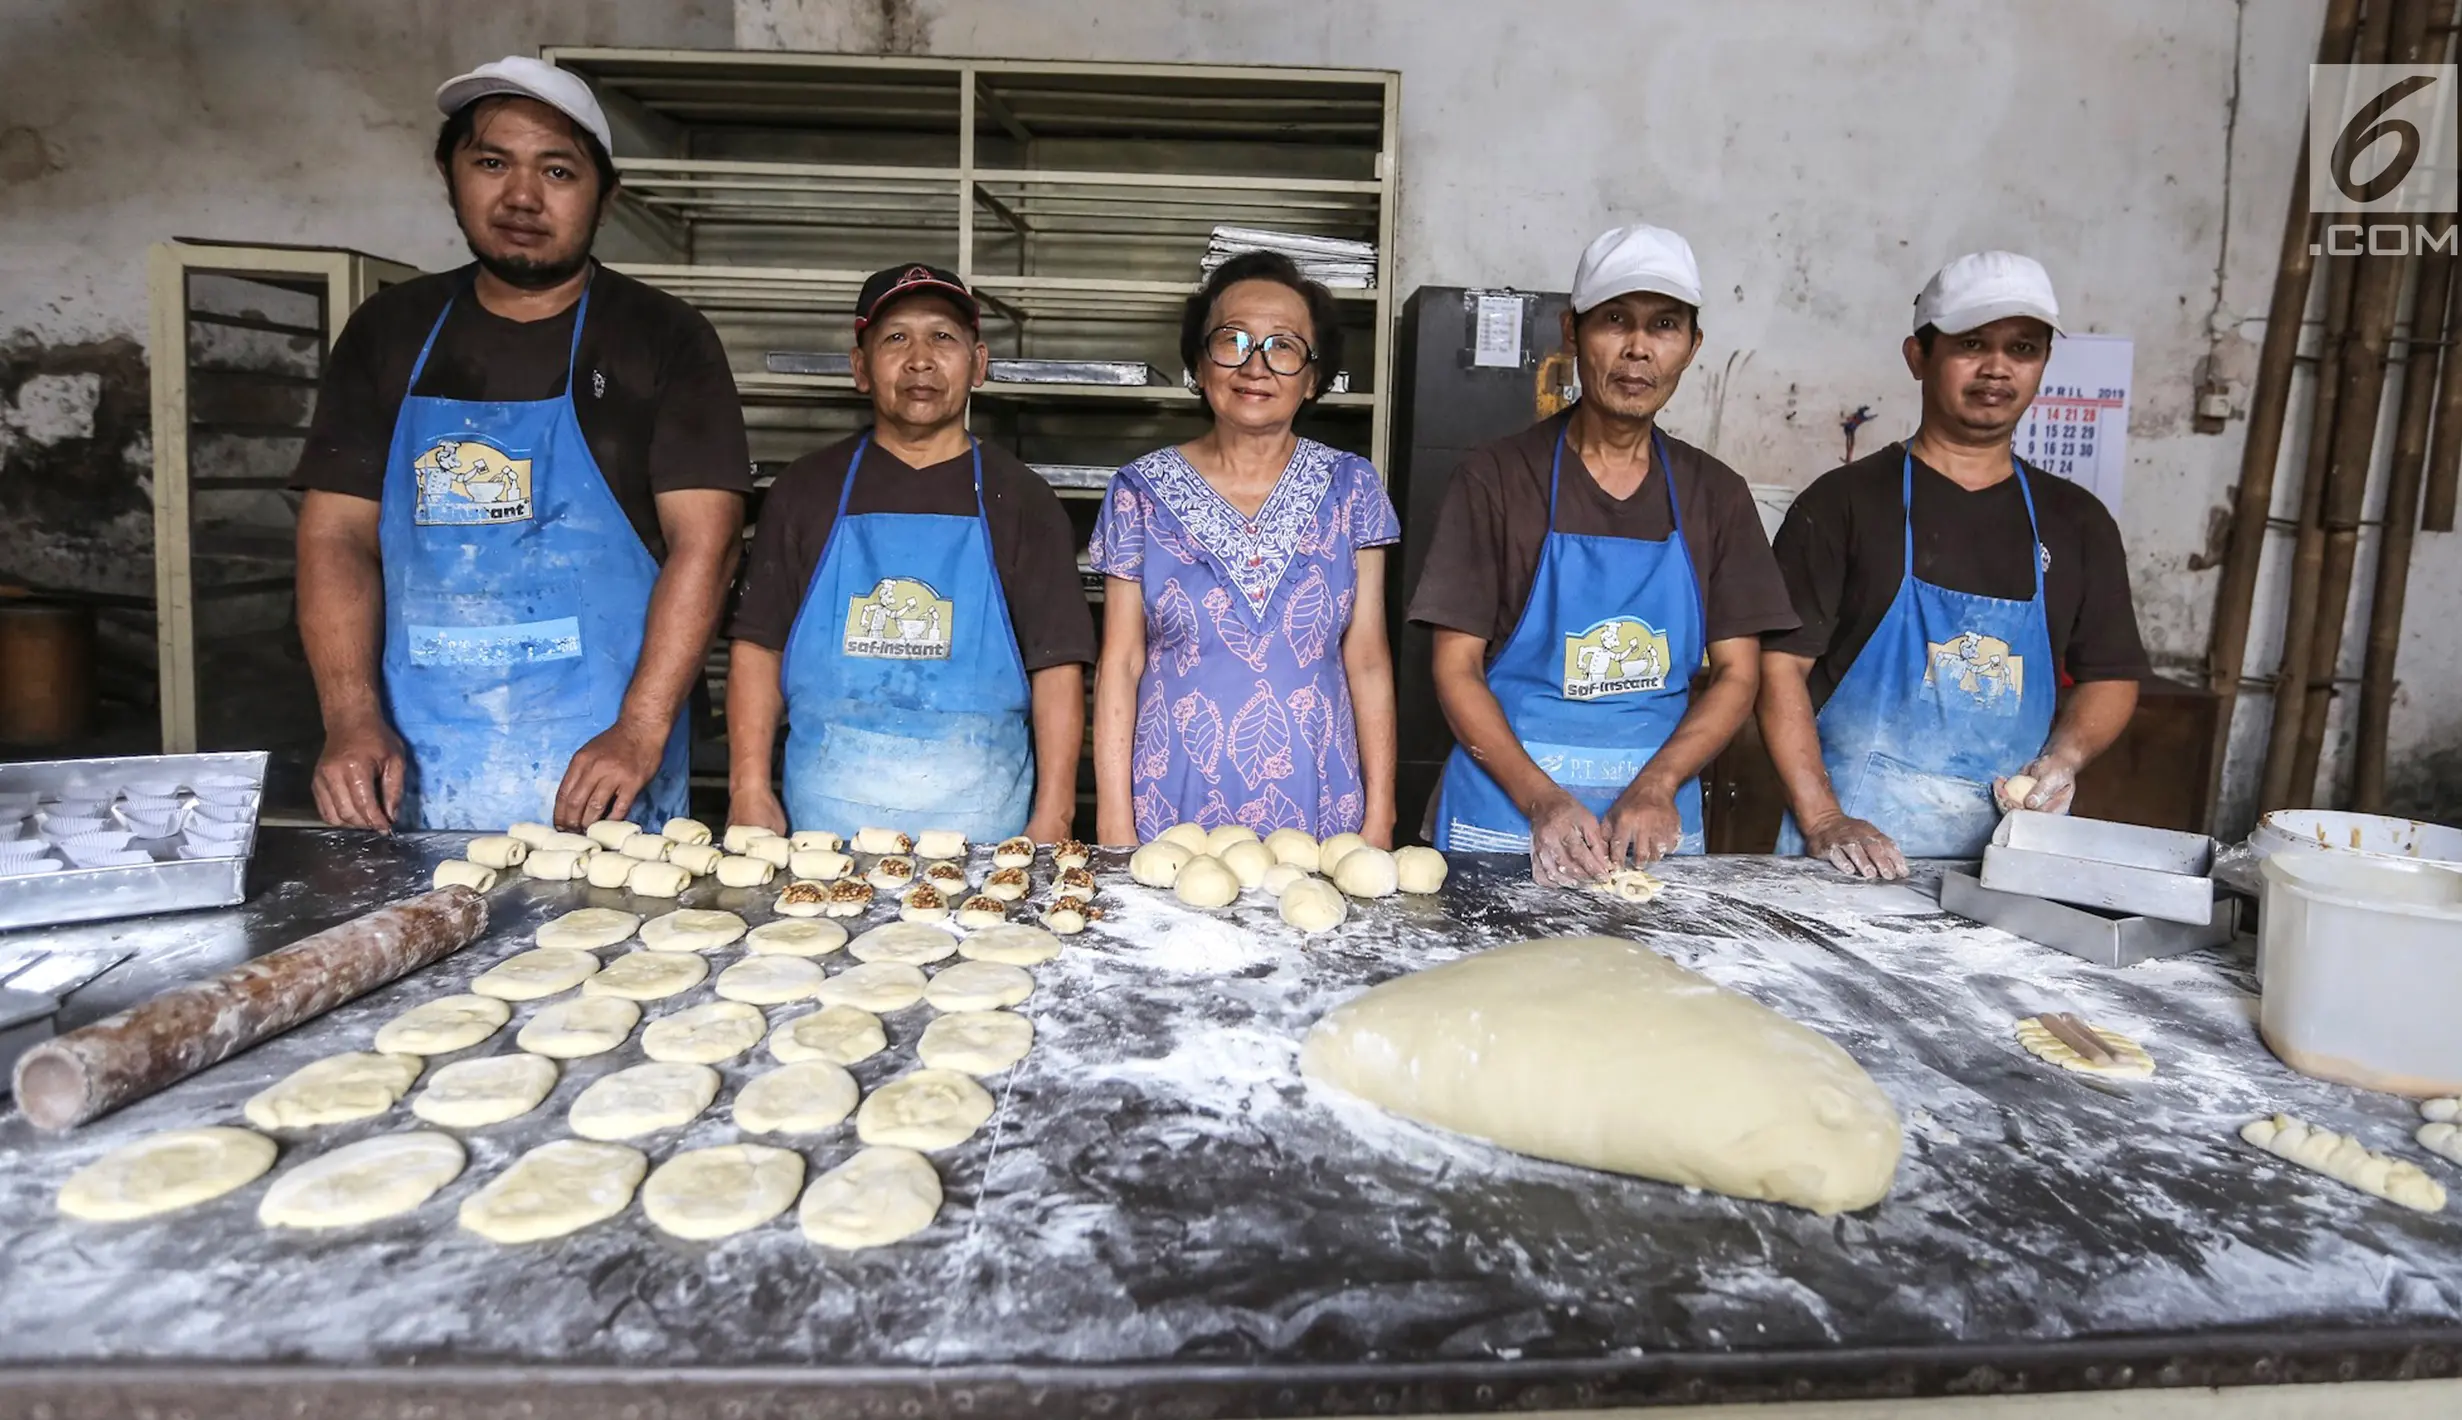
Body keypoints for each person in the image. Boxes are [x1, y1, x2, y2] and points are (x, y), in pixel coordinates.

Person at [293, 57, 748, 832]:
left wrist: (639, 729)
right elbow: (335, 535)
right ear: (450, 174)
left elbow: (707, 545)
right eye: (493, 162)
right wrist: (350, 718)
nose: (523, 197)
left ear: (606, 195)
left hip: (606, 769)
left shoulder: (662, 338)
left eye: (559, 171)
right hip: (418, 761)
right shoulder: (388, 333)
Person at [1408, 224, 1799, 884]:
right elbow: (1455, 668)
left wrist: (1659, 784)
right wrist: (1543, 800)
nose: (1638, 349)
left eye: (1665, 325)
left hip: (1650, 826)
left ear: (1692, 346)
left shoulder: (1715, 495)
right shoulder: (1498, 480)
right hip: (1505, 820)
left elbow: (1738, 674)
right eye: (1615, 320)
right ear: (1572, 331)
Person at [1760, 251, 2147, 879]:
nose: (1997, 367)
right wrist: (1823, 817)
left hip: (2012, 864)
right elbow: (1778, 670)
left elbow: (2111, 675)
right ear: (1919, 356)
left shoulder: (2077, 523)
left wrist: (2064, 758)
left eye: (2022, 348)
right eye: (1972, 344)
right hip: (1848, 857)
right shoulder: (1843, 505)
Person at [727, 264, 1092, 842]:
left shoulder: (1021, 498)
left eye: (943, 337)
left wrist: (1056, 815)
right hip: (821, 835)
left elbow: (1056, 668)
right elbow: (758, 647)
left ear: (978, 365)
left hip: (985, 838)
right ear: (859, 369)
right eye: (896, 338)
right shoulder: (806, 490)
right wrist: (748, 788)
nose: (920, 359)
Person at [1090, 251, 1400, 845]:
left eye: (1283, 347)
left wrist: (1380, 813)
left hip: (1319, 797)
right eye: (1232, 341)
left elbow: (1367, 659)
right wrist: (1114, 822)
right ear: (1199, 366)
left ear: (1313, 379)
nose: (1255, 366)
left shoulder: (1351, 487)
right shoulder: (1140, 491)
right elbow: (1120, 664)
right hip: (1170, 798)